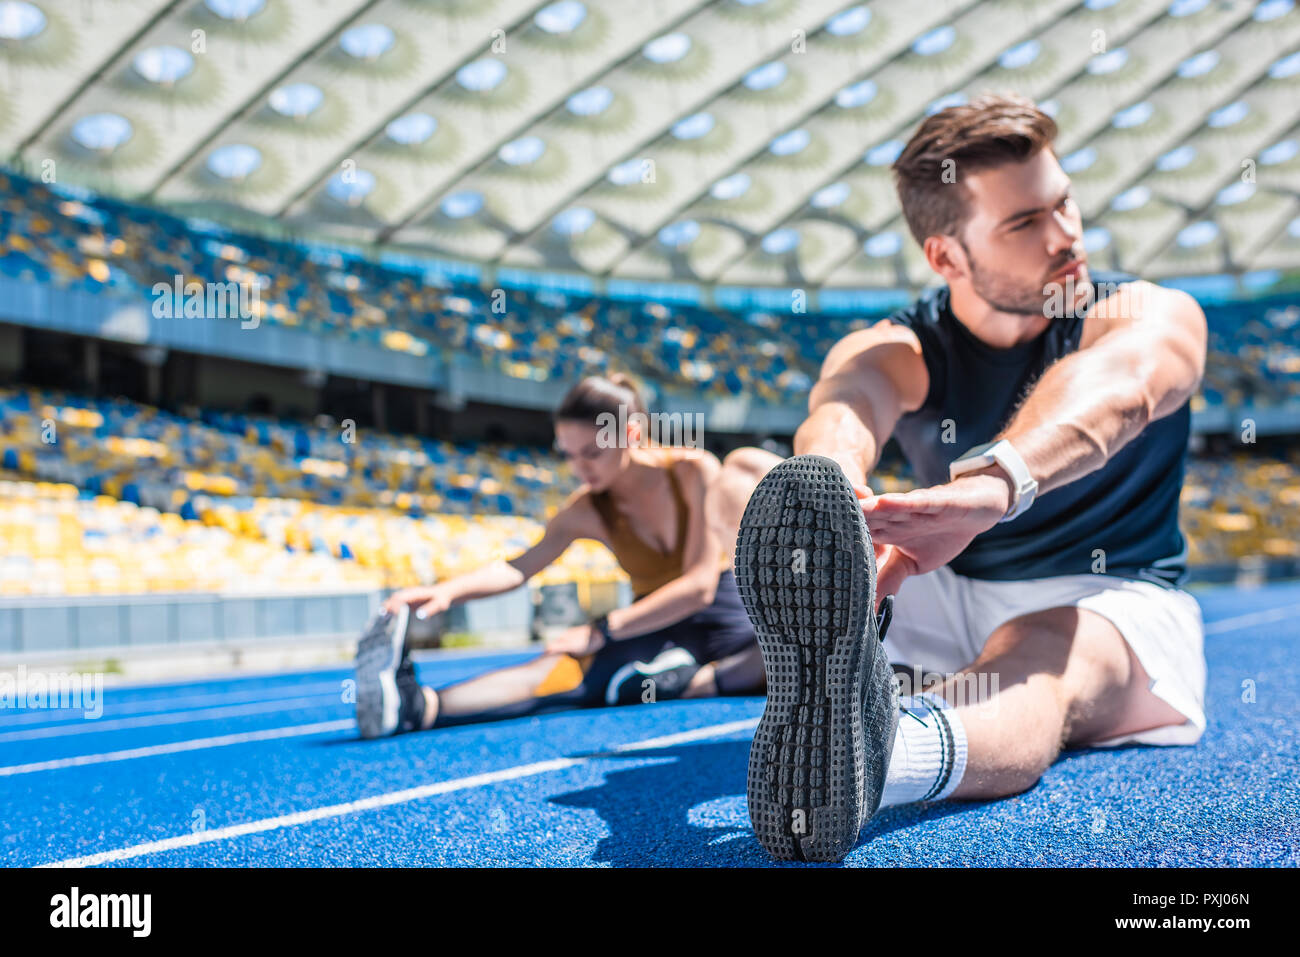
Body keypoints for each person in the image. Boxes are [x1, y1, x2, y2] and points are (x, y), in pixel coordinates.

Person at [721, 94, 1209, 861]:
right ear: (946, 257)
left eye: (1064, 203)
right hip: (942, 586)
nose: (1066, 236)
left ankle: (882, 757)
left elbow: (1120, 390)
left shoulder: (1151, 313)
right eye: (1025, 223)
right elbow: (849, 402)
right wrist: (836, 489)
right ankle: (746, 673)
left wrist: (993, 484)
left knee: (1035, 663)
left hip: (1104, 595)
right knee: (792, 522)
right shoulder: (900, 345)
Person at [353, 373, 765, 739]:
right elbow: (519, 567)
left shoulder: (694, 472)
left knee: (798, 656)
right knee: (567, 671)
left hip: (726, 614)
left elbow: (698, 587)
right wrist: (444, 593)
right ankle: (417, 707)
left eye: (592, 453)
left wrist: (602, 629)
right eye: (568, 454)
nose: (579, 468)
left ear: (633, 434)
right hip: (649, 624)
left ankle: (697, 679)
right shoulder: (586, 508)